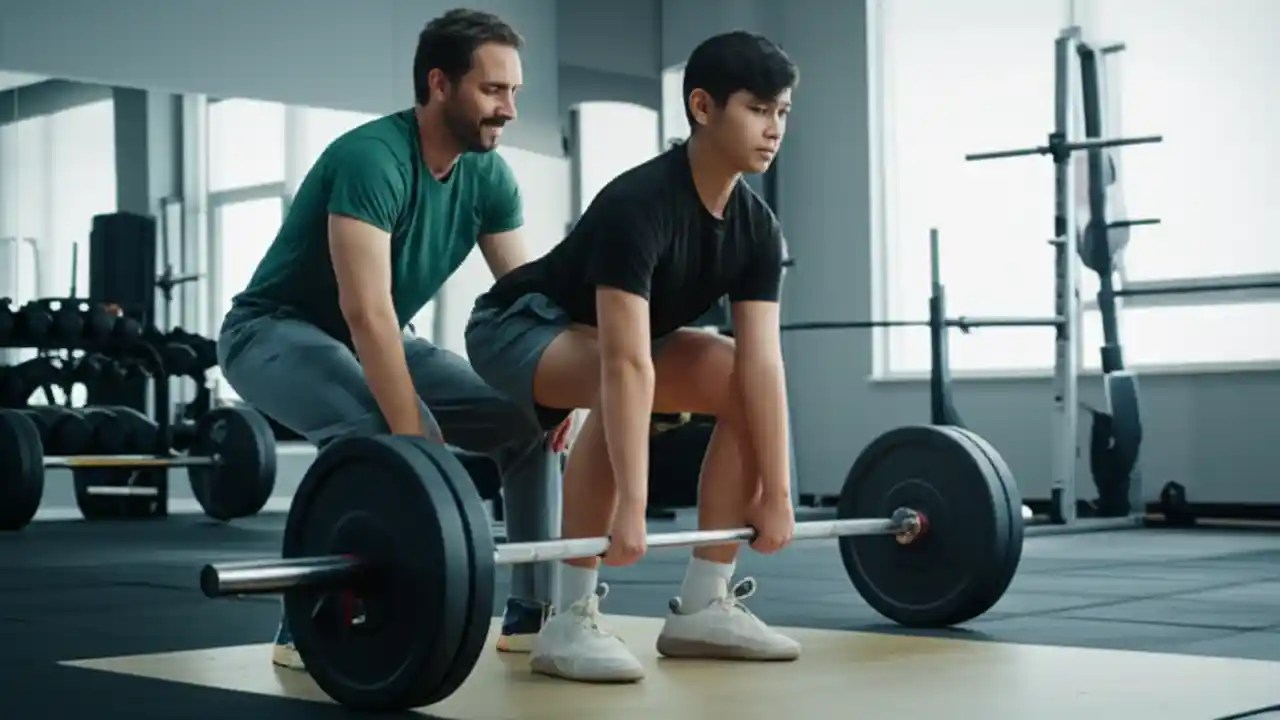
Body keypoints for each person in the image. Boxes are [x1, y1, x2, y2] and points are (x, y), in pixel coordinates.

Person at [215, 8, 565, 670]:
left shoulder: (489, 177)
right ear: (440, 84)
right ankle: (306, 620)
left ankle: (533, 612)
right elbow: (367, 309)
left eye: (514, 92)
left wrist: (553, 388)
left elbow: (525, 298)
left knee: (528, 424)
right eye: (494, 90)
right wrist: (413, 434)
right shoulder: (370, 159)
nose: (509, 109)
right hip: (270, 331)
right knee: (389, 425)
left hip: (373, 336)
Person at [465, 30, 801, 683]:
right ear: (703, 108)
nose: (774, 128)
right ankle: (568, 618)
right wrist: (629, 509)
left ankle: (705, 601)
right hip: (518, 325)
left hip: (613, 345)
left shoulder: (757, 229)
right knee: (621, 377)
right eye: (758, 110)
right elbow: (624, 367)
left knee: (736, 377)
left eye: (782, 112)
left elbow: (762, 367)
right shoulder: (639, 204)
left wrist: (779, 495)